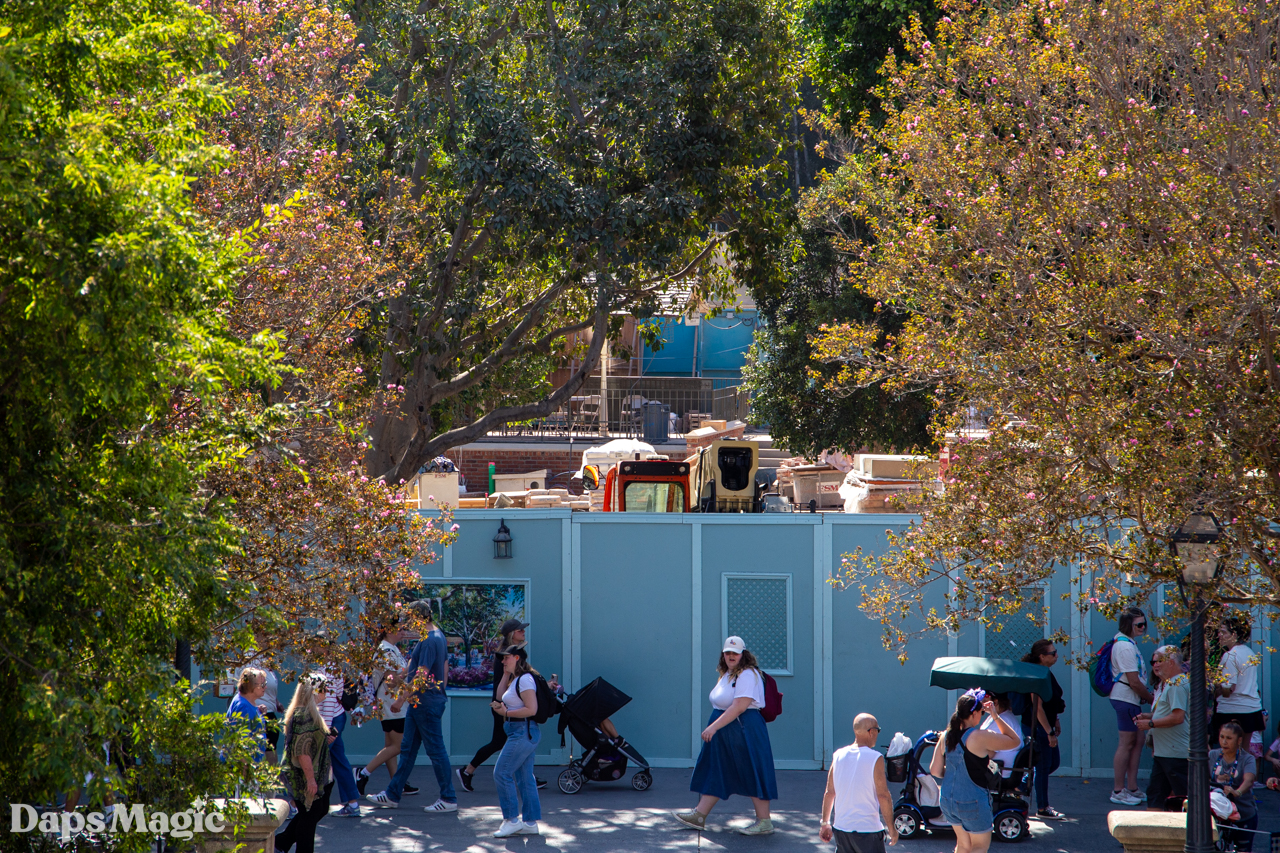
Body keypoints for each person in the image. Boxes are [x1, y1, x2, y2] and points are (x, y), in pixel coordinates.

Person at [675, 636, 777, 836]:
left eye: (735, 653)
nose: (731, 656)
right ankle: (699, 815)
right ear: (724, 654)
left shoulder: (747, 675)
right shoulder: (728, 674)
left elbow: (739, 707)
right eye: (728, 652)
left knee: (751, 769)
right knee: (716, 769)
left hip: (743, 729)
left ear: (743, 654)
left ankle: (764, 822)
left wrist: (713, 727)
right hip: (727, 730)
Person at [367, 599, 458, 812]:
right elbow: (431, 669)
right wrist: (402, 676)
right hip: (425, 703)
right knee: (407, 750)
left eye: (410, 620)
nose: (407, 626)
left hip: (425, 704)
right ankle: (392, 794)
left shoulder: (428, 640)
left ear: (418, 618)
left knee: (436, 751)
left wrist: (400, 699)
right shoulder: (437, 635)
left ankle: (449, 798)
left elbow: (421, 675)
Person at [455, 618, 549, 793]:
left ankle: (469, 771)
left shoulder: (513, 652)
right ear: (512, 634)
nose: (523, 632)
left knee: (508, 741)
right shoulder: (505, 656)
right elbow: (504, 682)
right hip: (504, 706)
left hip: (507, 704)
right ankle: (467, 770)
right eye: (520, 630)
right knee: (505, 741)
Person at [928, 689, 1020, 853]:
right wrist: (995, 715)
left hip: (948, 800)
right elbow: (1015, 741)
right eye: (981, 712)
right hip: (973, 801)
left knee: (963, 846)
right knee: (979, 847)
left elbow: (935, 770)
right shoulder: (979, 736)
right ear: (974, 713)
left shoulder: (946, 735)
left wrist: (955, 773)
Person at [355, 620, 419, 797]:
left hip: (389, 704)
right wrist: (409, 669)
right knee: (400, 746)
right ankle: (363, 773)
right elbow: (391, 681)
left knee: (390, 746)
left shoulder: (391, 648)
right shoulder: (385, 651)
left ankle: (396, 782)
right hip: (393, 705)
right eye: (401, 629)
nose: (404, 632)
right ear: (388, 630)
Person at [819, 713, 899, 852]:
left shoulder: (838, 755)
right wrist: (891, 828)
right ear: (871, 732)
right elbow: (883, 795)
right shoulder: (876, 758)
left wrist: (825, 823)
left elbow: (830, 792)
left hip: (842, 829)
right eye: (878, 730)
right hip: (868, 830)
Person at [489, 646, 544, 837]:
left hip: (522, 731)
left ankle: (512, 819)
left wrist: (506, 713)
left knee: (501, 773)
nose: (503, 661)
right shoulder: (515, 679)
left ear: (516, 657)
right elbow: (498, 696)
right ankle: (529, 823)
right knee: (524, 777)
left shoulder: (526, 679)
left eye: (506, 658)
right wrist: (505, 675)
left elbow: (532, 709)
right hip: (519, 731)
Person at [275, 675, 333, 853]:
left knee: (317, 811)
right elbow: (302, 751)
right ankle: (286, 844)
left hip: (318, 774)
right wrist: (310, 780)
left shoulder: (309, 712)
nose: (326, 692)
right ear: (314, 690)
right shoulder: (304, 715)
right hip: (305, 776)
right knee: (309, 817)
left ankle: (281, 842)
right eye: (324, 688)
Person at [1135, 646, 1189, 811]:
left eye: (1160, 661)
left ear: (1171, 662)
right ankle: (1153, 834)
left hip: (1175, 755)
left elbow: (1178, 717)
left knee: (1184, 799)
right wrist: (1150, 717)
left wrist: (1151, 724)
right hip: (1164, 753)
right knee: (1155, 796)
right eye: (1153, 661)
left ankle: (1191, 834)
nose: (1155, 665)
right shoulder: (1170, 684)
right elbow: (1171, 712)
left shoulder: (1177, 684)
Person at [1109, 607, 1152, 805]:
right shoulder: (1125, 646)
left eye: (1144, 624)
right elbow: (1134, 682)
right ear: (1128, 625)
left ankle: (1132, 787)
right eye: (1139, 625)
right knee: (1126, 743)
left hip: (1131, 698)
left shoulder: (1128, 643)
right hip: (1126, 698)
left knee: (1137, 741)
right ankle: (1118, 790)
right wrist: (1151, 698)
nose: (1143, 628)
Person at [1020, 639, 1066, 820]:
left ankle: (1021, 785)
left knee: (1052, 764)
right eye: (1053, 653)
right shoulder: (1036, 675)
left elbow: (1050, 703)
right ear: (1042, 656)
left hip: (1046, 724)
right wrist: (1049, 732)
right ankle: (1043, 807)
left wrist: (1056, 720)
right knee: (1044, 765)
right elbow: (1037, 708)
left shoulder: (1046, 673)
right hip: (1037, 727)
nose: (1056, 655)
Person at [314, 665, 360, 817]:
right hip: (335, 718)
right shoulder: (332, 667)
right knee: (339, 761)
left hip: (330, 719)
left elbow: (328, 701)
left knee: (315, 759)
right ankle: (353, 804)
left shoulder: (327, 670)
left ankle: (299, 805)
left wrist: (326, 730)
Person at [1212, 614, 1264, 748]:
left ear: (1234, 635)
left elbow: (1228, 689)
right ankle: (1248, 769)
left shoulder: (1230, 655)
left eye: (1223, 632)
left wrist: (1216, 687)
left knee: (1229, 751)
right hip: (1251, 708)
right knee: (1245, 751)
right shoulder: (1250, 652)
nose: (1219, 635)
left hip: (1232, 710)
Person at [1210, 721, 1258, 851]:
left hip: (1243, 813)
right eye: (1222, 737)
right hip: (1218, 815)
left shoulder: (1247, 758)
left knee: (1242, 849)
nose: (1224, 742)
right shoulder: (1213, 755)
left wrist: (1237, 792)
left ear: (1239, 740)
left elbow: (1249, 780)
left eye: (1229, 738)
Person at [226, 667, 270, 763]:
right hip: (242, 769)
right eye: (262, 685)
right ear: (251, 686)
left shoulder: (247, 702)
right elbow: (240, 743)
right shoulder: (243, 707)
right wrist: (246, 771)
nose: (265, 687)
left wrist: (257, 710)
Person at [979, 694, 1022, 777]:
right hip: (997, 768)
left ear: (995, 702)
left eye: (984, 701)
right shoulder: (998, 716)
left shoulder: (1003, 720)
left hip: (1000, 772)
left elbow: (990, 753)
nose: (981, 704)